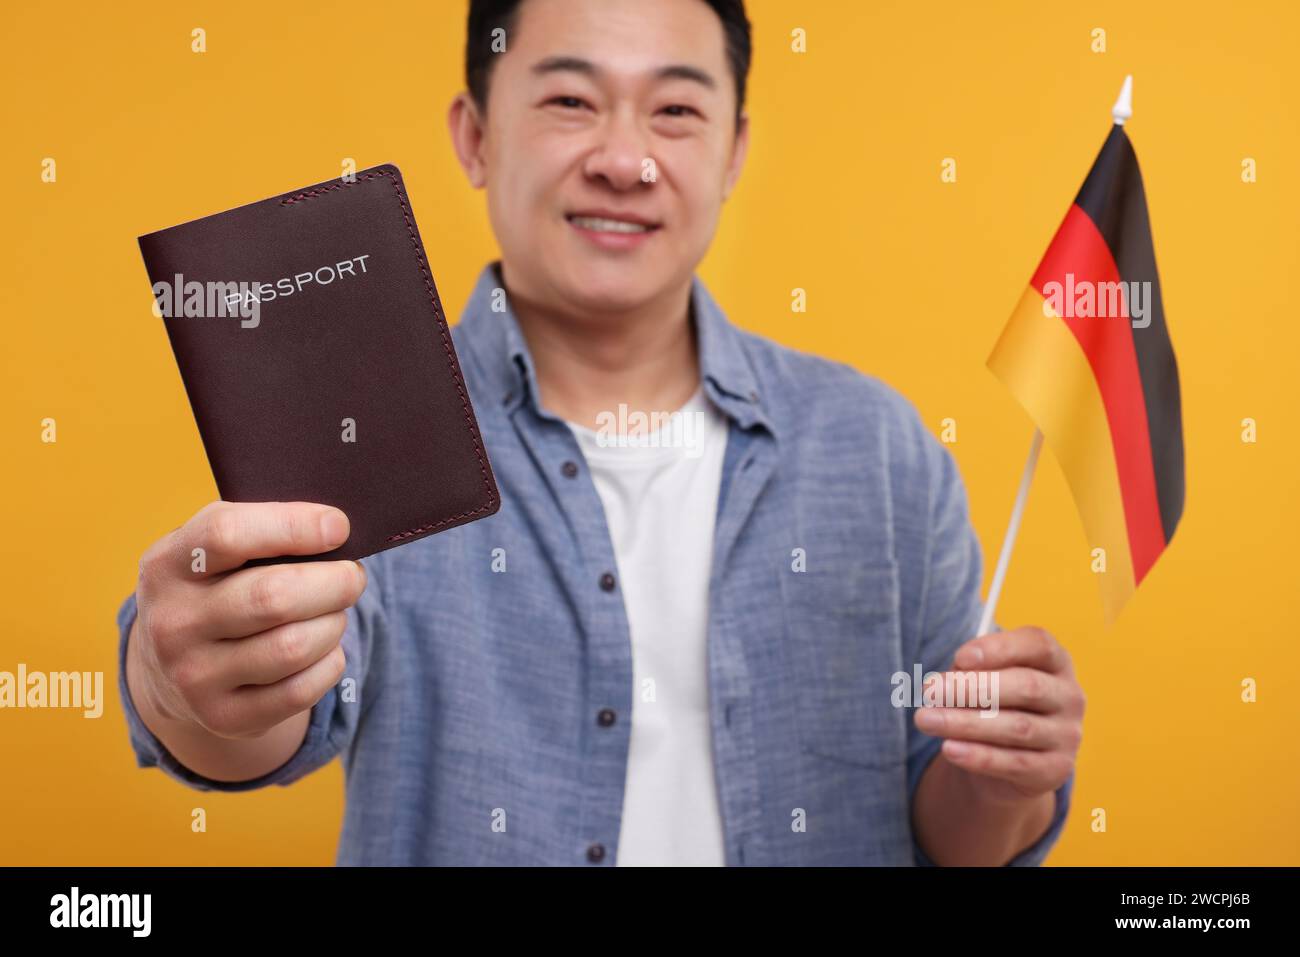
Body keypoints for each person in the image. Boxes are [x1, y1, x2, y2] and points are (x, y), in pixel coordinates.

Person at [116, 0, 1084, 866]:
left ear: (734, 151)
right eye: (570, 102)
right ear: (475, 137)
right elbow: (263, 721)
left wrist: (1002, 779)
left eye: (675, 110)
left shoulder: (881, 452)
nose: (625, 160)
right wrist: (178, 679)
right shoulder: (367, 428)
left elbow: (954, 835)